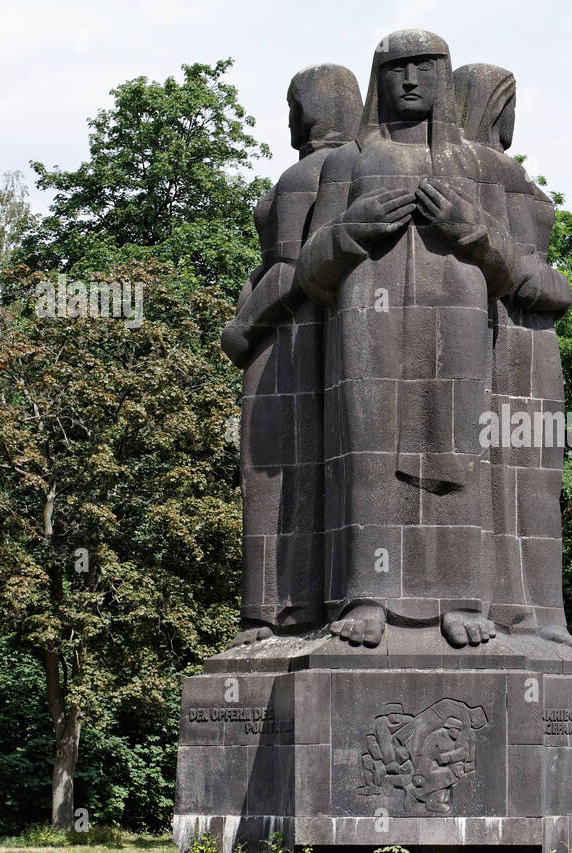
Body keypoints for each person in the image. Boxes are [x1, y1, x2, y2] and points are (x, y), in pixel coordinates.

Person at [296, 30, 526, 649]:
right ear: (379, 80)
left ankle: (460, 600)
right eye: (396, 69)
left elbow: (516, 273)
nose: (410, 80)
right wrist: (351, 229)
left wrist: (472, 229)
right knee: (368, 457)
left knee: (456, 459)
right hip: (366, 328)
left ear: (445, 77)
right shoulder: (348, 163)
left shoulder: (477, 168)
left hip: (457, 325)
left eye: (425, 67)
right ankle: (368, 597)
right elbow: (309, 271)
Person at [222, 65, 362, 646]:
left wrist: (241, 326)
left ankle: (267, 616)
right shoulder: (360, 164)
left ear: (313, 107)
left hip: (284, 343)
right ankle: (307, 611)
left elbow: (287, 269)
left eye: (293, 105)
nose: (290, 119)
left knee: (273, 479)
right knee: (317, 478)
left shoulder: (307, 174)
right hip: (330, 342)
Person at [454, 63, 572, 649]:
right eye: (507, 103)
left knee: (528, 486)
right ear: (492, 108)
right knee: (505, 484)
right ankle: (524, 615)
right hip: (503, 341)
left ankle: (536, 615)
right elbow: (536, 279)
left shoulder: (504, 178)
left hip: (521, 345)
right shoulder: (492, 175)